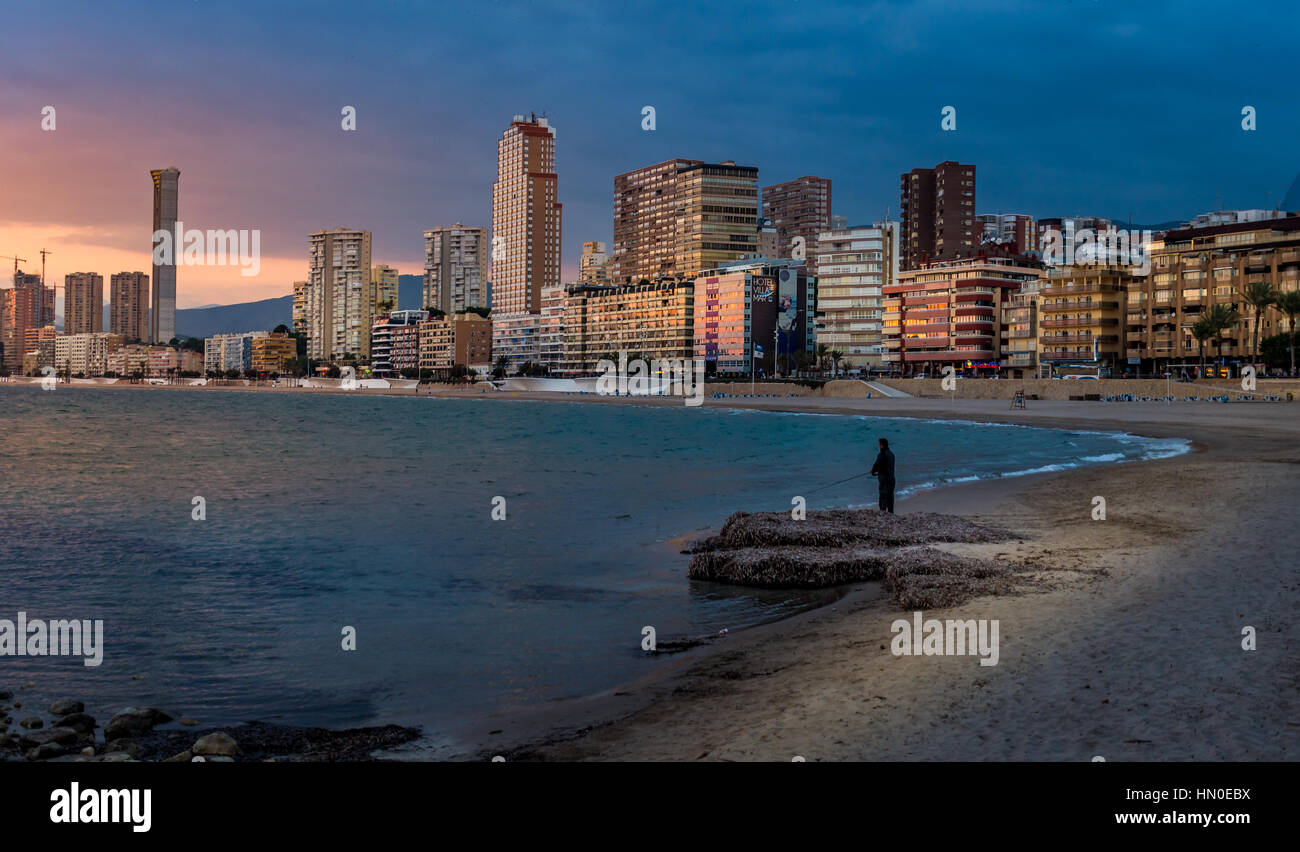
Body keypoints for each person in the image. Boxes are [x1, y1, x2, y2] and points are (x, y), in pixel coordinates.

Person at [870, 437, 896, 513]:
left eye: (879, 444)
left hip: (884, 479)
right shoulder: (892, 454)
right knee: (890, 497)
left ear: (882, 445)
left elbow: (877, 464)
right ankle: (891, 513)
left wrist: (873, 471)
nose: (879, 446)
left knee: (883, 497)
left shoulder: (882, 454)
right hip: (892, 479)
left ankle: (883, 513)